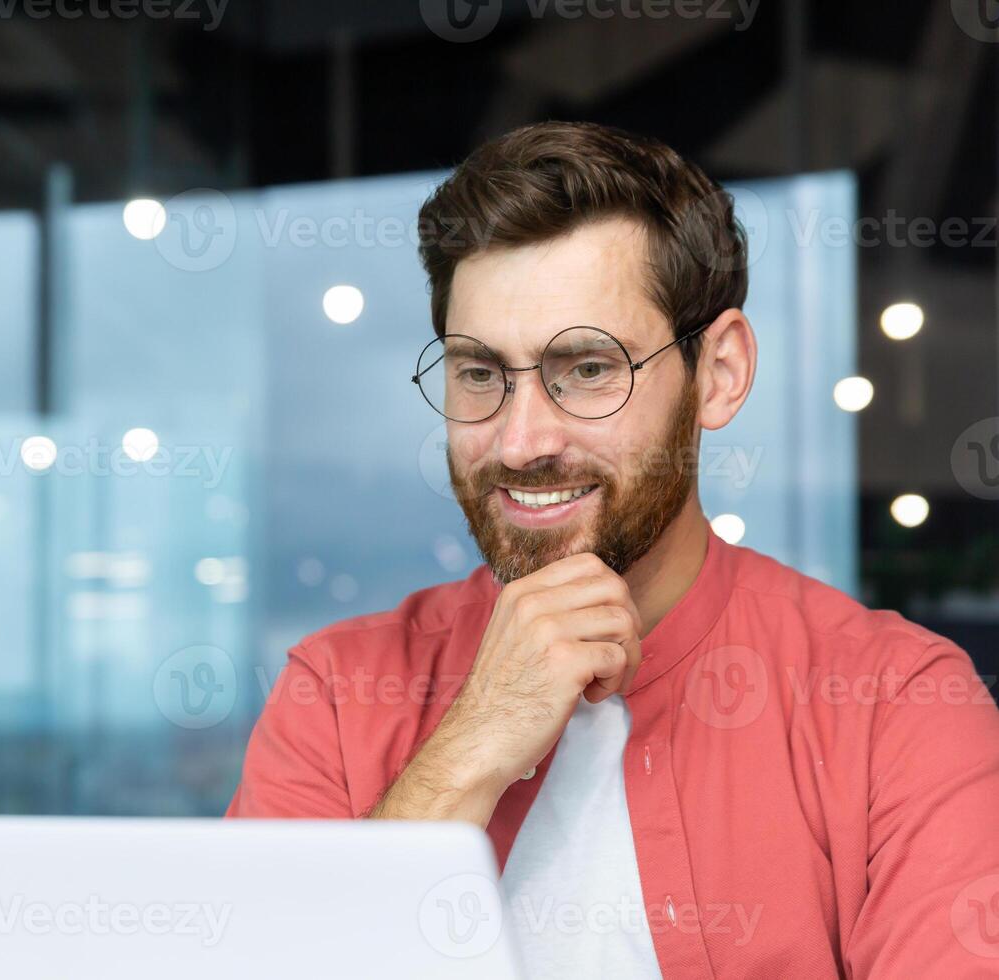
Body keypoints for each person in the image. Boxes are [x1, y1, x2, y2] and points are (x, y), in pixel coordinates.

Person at [224, 120, 999, 978]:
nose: (520, 441)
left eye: (588, 369)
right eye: (480, 373)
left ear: (719, 373)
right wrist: (470, 750)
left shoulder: (897, 705)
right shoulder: (335, 696)